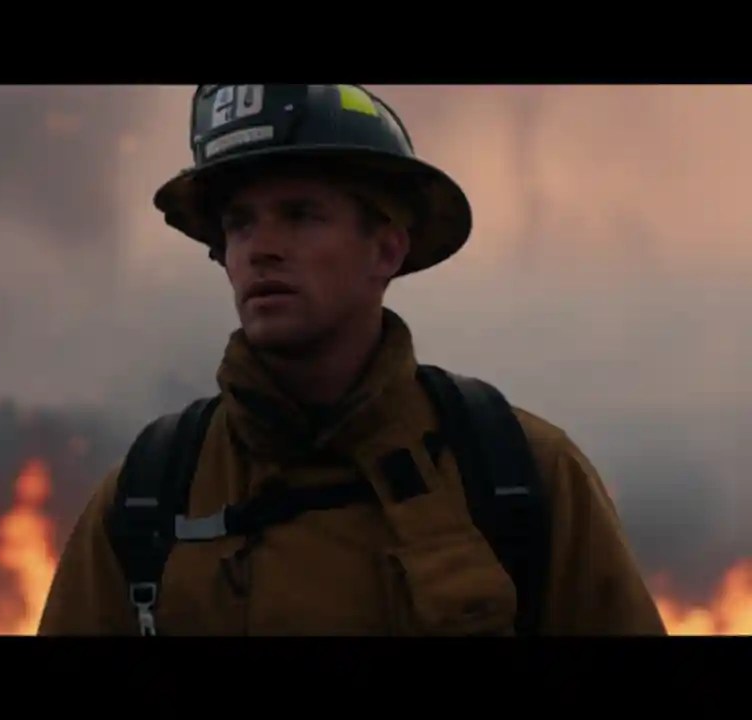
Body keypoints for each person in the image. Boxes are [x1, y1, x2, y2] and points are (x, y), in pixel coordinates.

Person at [36, 84, 667, 636]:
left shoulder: (518, 474)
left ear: (386, 251)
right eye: (241, 223)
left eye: (302, 215)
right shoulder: (150, 495)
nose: (263, 249)